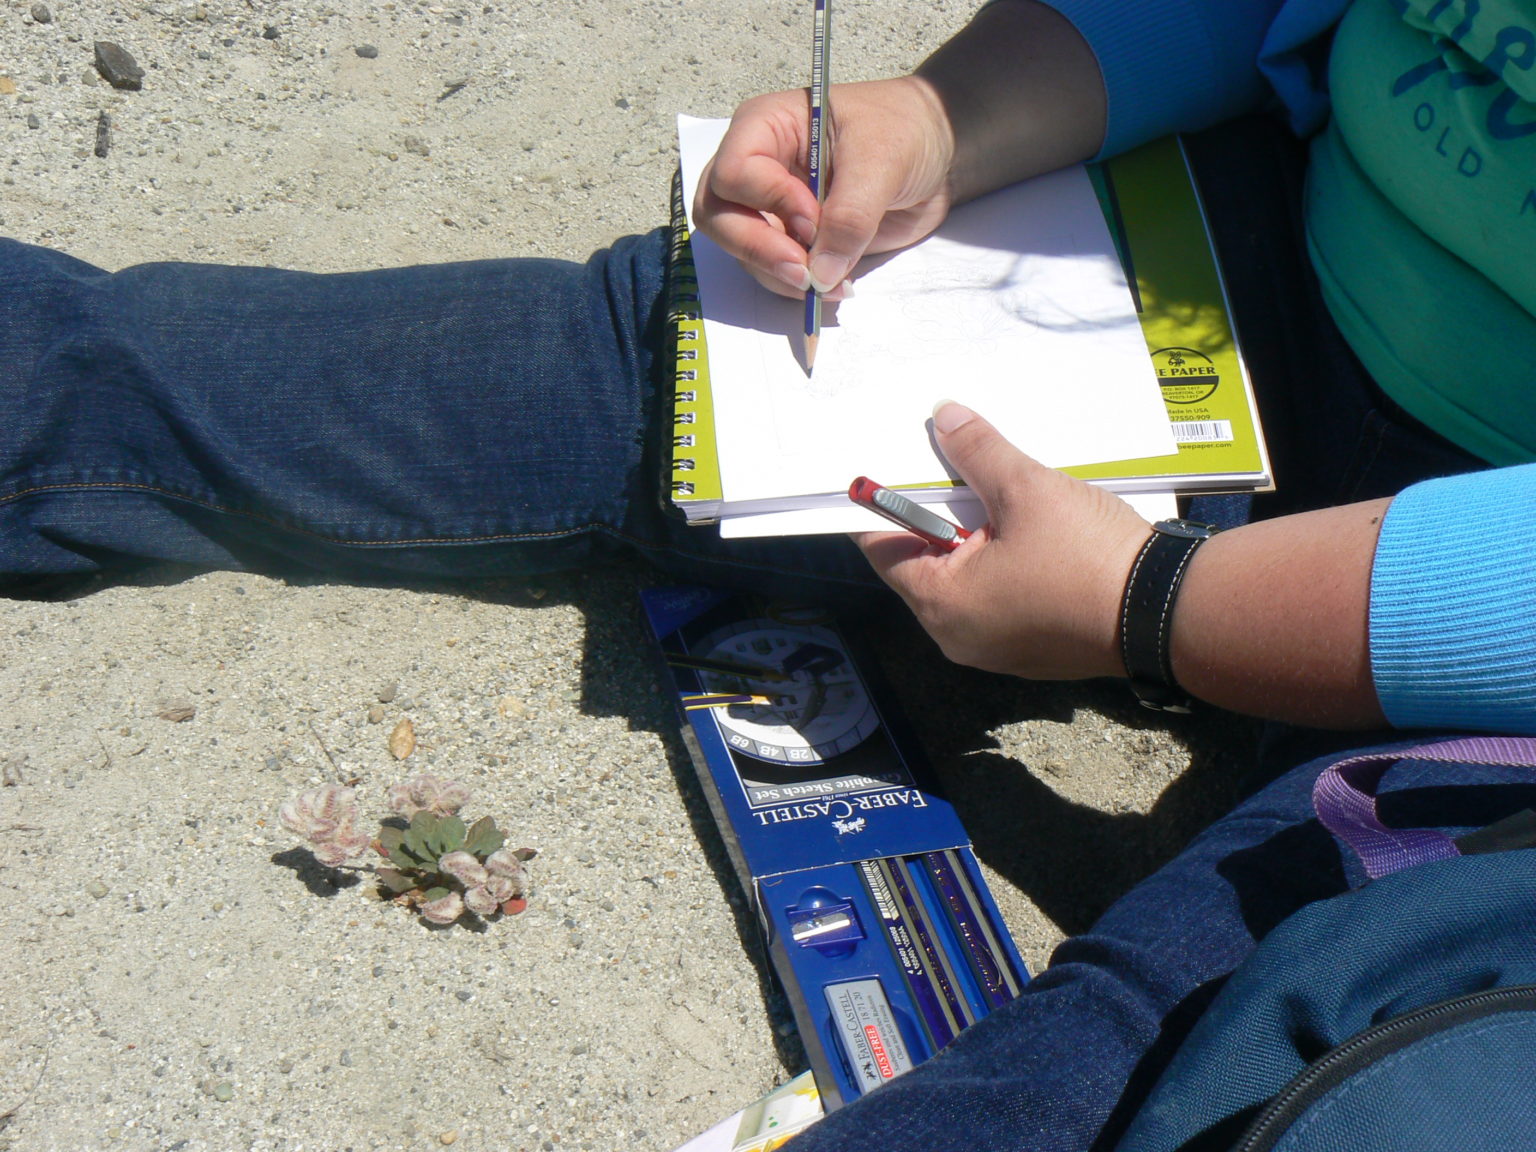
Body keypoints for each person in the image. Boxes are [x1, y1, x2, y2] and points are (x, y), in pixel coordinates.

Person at [2, 0, 1533, 1145]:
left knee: (1196, 1047)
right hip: (1247, 272)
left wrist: (1158, 605)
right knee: (607, 379)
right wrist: (943, 120)